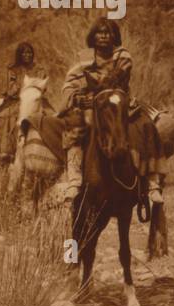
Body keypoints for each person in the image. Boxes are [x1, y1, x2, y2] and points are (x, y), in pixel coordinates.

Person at [58, 18, 160, 204]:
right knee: (76, 127)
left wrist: (94, 85)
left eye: (108, 32)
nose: (104, 35)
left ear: (114, 36)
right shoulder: (84, 58)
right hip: (91, 104)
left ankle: (152, 182)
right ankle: (74, 179)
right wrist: (76, 97)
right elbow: (69, 83)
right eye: (100, 32)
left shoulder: (122, 56)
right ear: (93, 36)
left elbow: (116, 78)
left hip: (119, 102)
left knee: (146, 125)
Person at [0, 41, 47, 162]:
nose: (27, 55)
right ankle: (6, 151)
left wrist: (36, 88)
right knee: (6, 116)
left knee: (53, 116)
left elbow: (43, 85)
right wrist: (20, 88)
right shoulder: (13, 69)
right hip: (17, 99)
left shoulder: (39, 68)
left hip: (36, 98)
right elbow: (10, 87)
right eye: (24, 53)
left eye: (29, 52)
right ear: (20, 54)